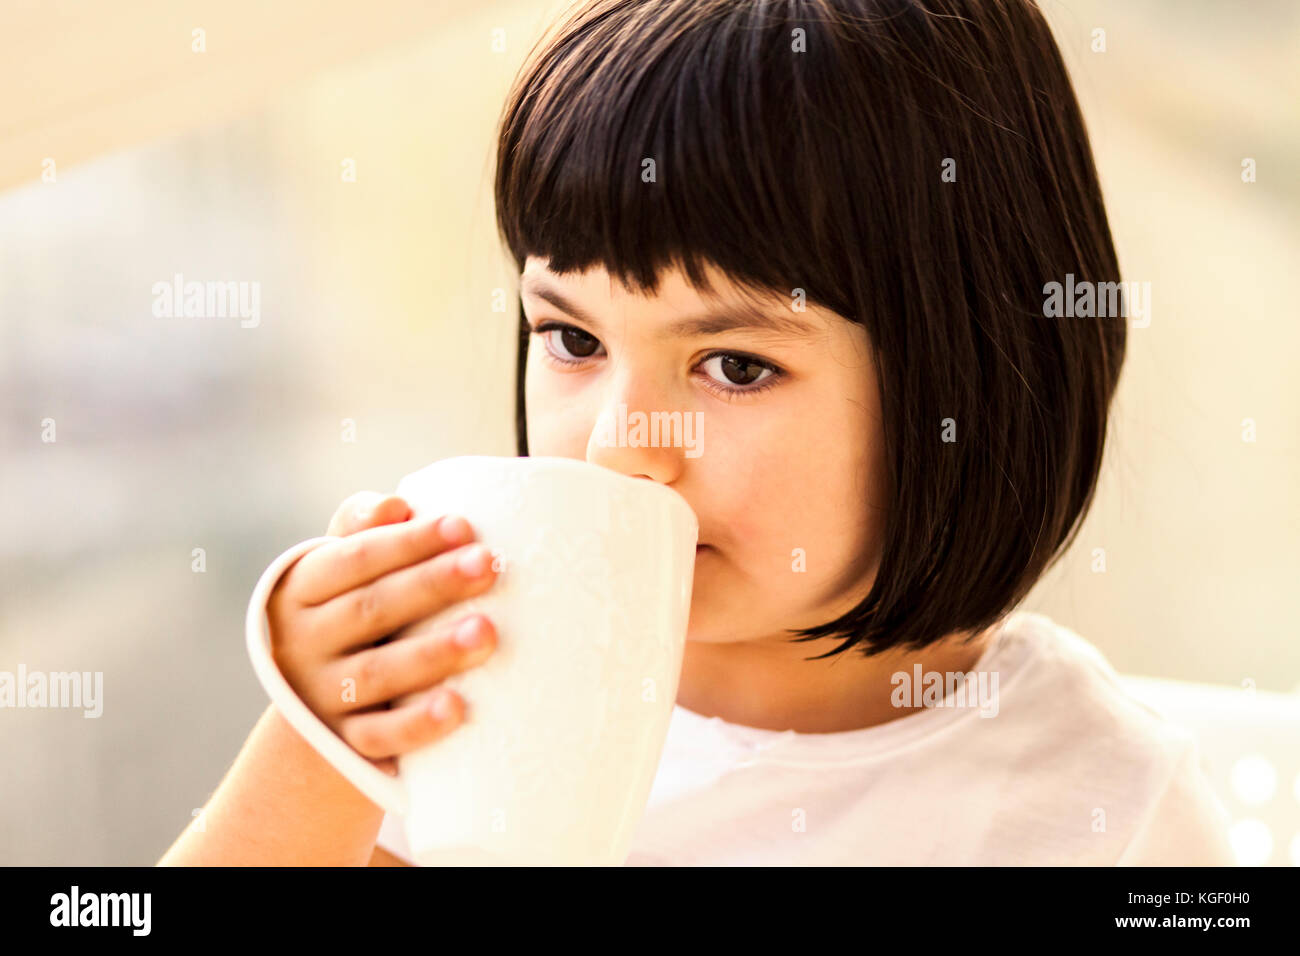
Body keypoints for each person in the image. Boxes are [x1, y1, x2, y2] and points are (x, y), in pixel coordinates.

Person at [160, 0, 1236, 866]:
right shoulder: (479, 682)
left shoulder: (1102, 804)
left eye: (735, 364)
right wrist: (319, 739)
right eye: (573, 338)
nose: (620, 446)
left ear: (973, 374)